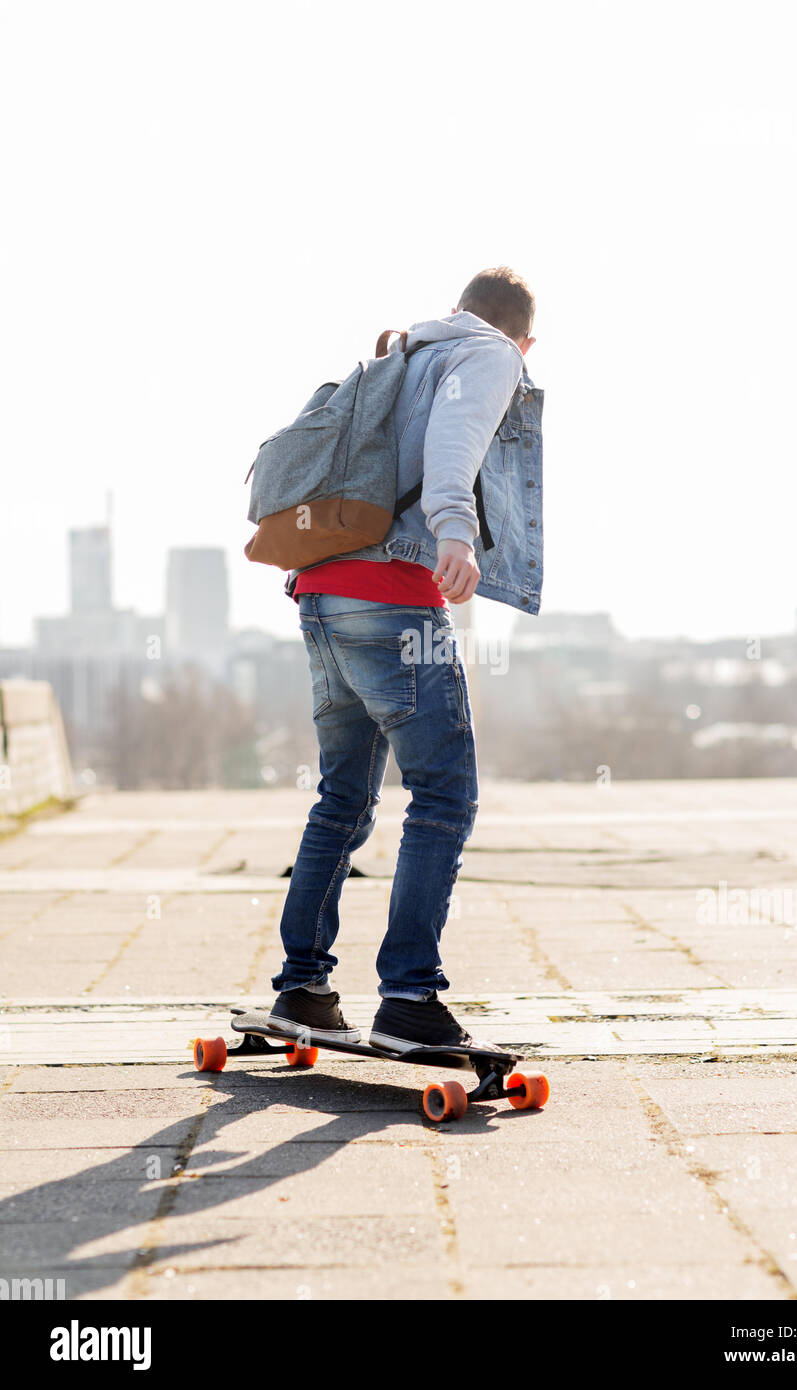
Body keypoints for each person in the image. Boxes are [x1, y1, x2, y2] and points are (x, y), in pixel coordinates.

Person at [268, 266, 542, 1052]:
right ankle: (409, 995)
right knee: (443, 794)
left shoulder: (400, 350)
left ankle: (302, 988)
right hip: (392, 595)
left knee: (343, 799)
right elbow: (457, 439)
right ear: (525, 339)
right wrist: (456, 529)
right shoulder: (490, 355)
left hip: (320, 590)